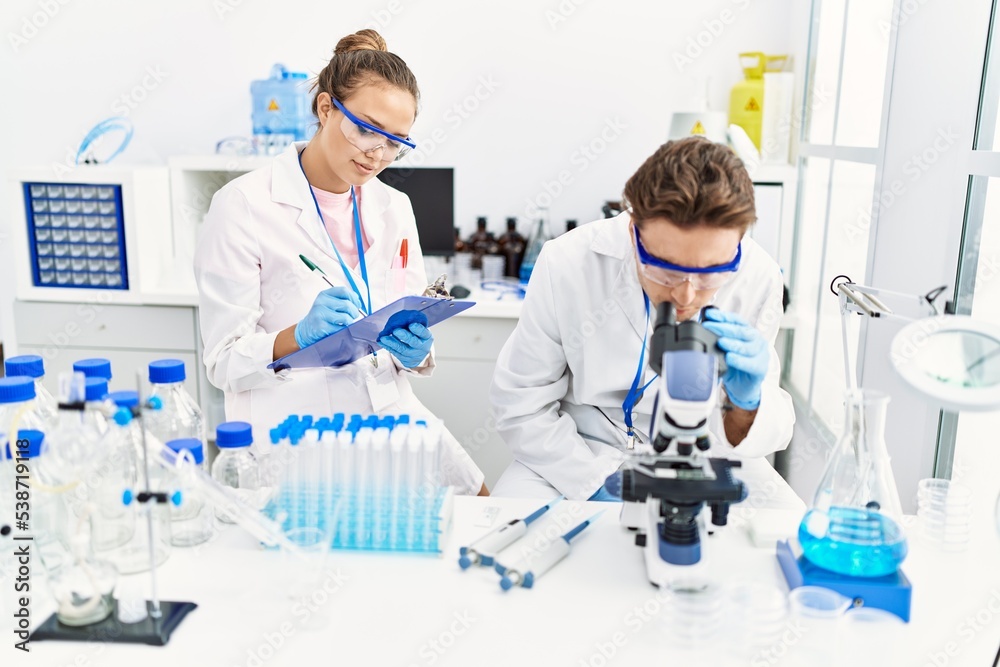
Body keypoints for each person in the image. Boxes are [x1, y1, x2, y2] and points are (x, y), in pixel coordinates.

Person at [194, 29, 486, 496]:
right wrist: (297, 337)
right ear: (326, 108)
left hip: (388, 415)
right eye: (366, 129)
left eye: (395, 141)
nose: (377, 153)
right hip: (297, 434)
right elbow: (222, 361)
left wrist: (419, 351)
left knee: (475, 499)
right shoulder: (244, 205)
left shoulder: (394, 206)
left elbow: (405, 312)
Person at [489, 137, 794, 500]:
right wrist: (592, 483)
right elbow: (521, 403)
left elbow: (761, 430)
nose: (685, 294)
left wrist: (747, 403)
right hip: (577, 452)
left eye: (711, 272)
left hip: (705, 455)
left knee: (782, 528)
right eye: (665, 269)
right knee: (518, 534)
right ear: (634, 233)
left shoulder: (759, 274)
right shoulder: (568, 261)